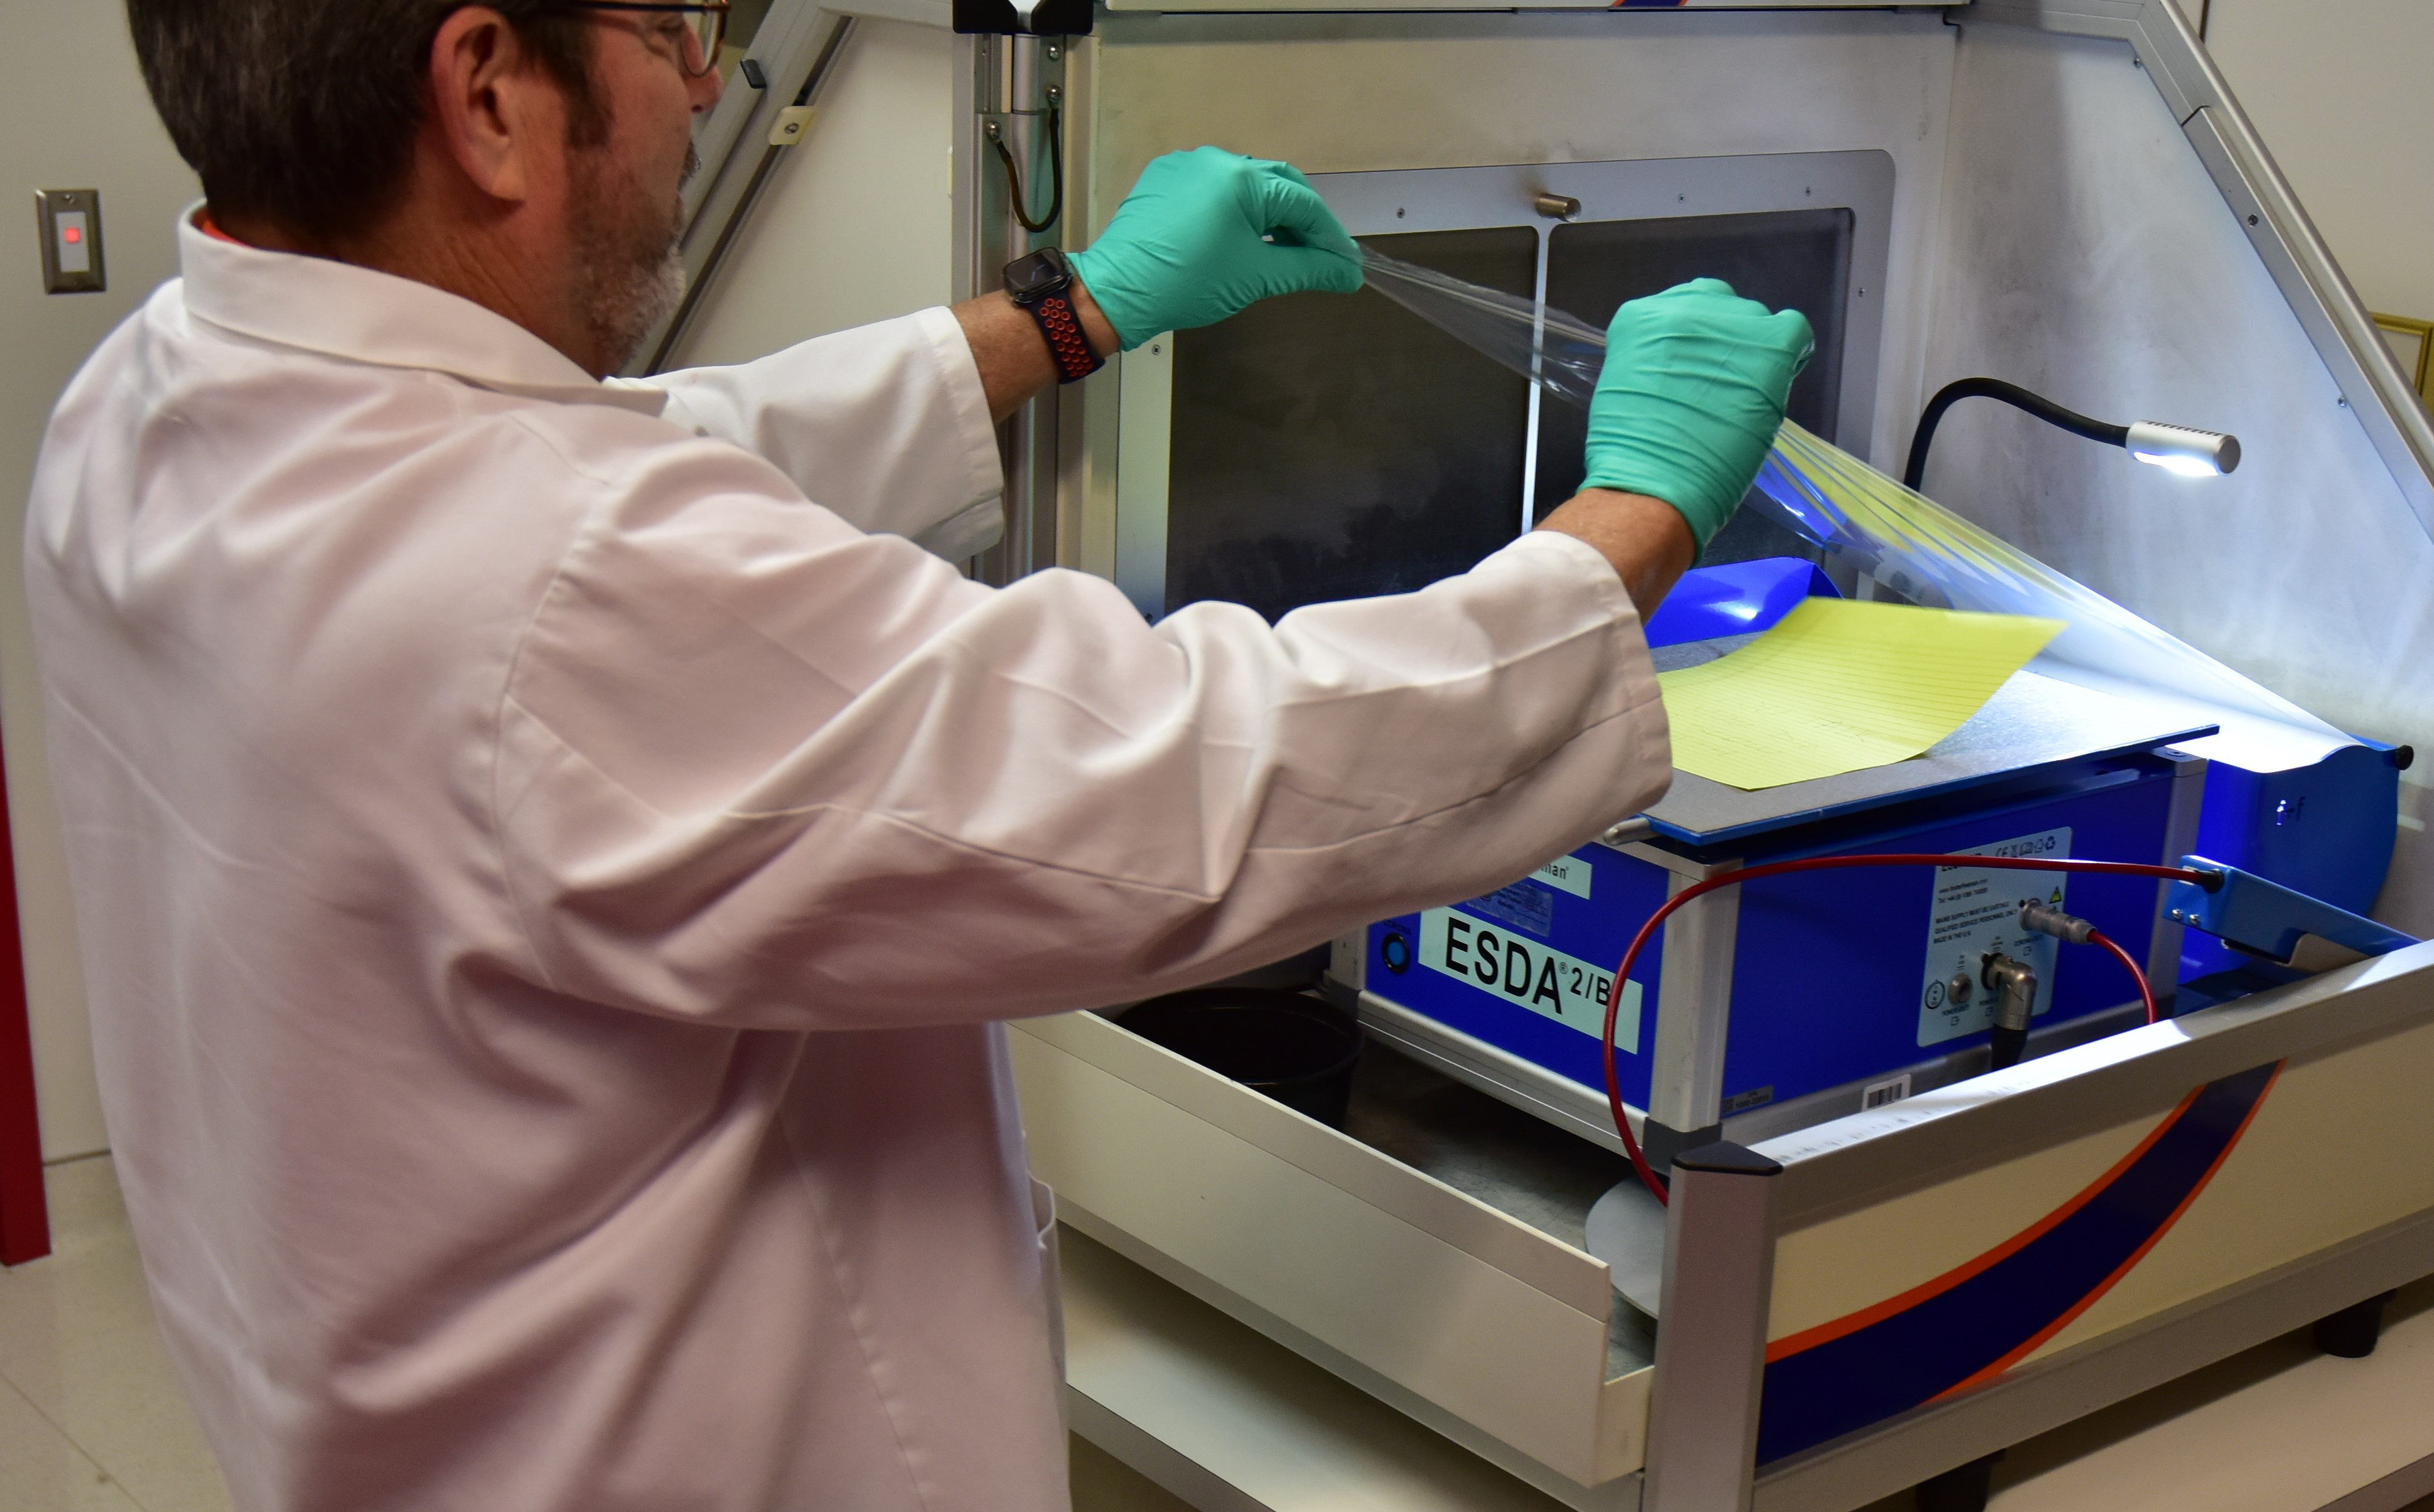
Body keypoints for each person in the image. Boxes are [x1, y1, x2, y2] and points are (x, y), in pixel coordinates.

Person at [27, 1, 1812, 1508]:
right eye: (678, 29)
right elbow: (1190, 775)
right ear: (490, 97)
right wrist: (1635, 514)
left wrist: (1075, 312)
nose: (709, 84)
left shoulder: (155, 393)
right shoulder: (556, 599)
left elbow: (659, 455)